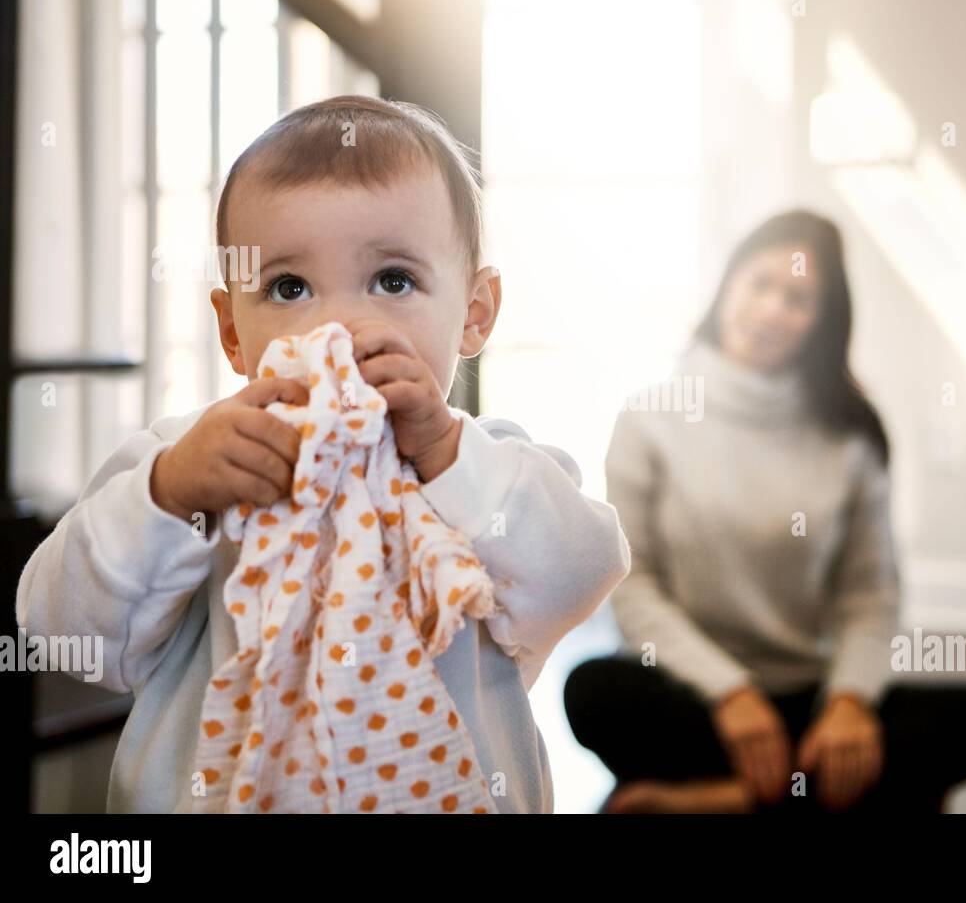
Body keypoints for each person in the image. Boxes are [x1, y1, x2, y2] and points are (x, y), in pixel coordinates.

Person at [16, 95, 631, 813]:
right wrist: (171, 496)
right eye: (288, 287)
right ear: (232, 331)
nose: (339, 322)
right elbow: (63, 635)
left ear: (474, 312)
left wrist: (445, 452)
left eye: (393, 281)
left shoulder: (489, 464)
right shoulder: (185, 462)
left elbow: (583, 573)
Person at [566, 210, 966, 813]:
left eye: (799, 298)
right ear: (728, 285)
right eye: (760, 284)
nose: (773, 309)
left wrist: (851, 702)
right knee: (593, 691)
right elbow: (633, 587)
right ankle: (828, 798)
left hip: (811, 699)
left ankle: (722, 801)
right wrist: (731, 695)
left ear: (821, 322)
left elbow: (871, 598)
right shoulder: (649, 419)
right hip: (693, 694)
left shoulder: (849, 435)